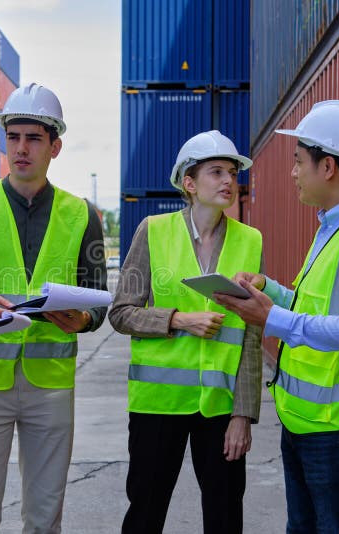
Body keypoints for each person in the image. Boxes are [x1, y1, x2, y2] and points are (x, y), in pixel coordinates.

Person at [214, 100, 339, 534]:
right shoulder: (332, 227)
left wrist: (273, 318)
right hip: (306, 422)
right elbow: (316, 305)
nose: (293, 173)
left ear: (328, 166)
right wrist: (270, 289)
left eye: (299, 163)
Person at [0, 83, 108, 533]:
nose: (21, 148)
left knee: (44, 516)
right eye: (14, 137)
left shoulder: (82, 214)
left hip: (51, 385)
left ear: (54, 146)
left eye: (34, 138)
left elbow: (96, 293)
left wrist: (83, 318)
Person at [109, 130, 263, 534]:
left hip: (219, 408)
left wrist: (243, 415)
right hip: (157, 405)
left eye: (232, 171)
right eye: (217, 172)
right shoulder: (153, 230)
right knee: (145, 513)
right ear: (190, 184)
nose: (229, 180)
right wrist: (178, 319)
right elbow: (122, 312)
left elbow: (250, 335)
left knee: (226, 515)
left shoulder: (251, 240)